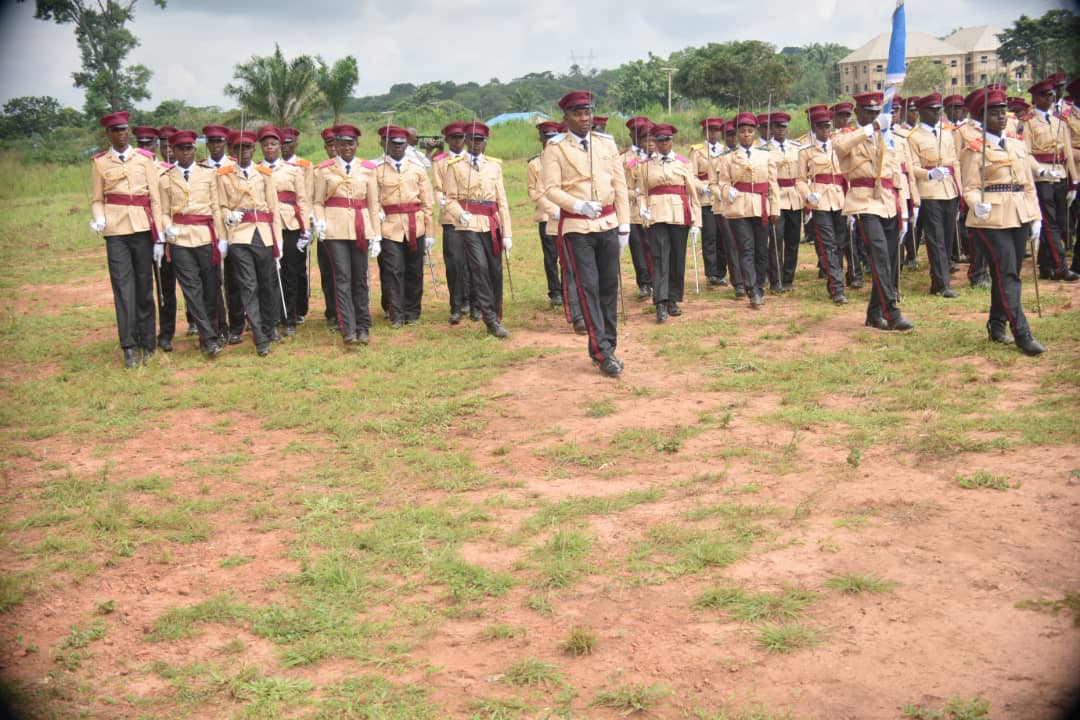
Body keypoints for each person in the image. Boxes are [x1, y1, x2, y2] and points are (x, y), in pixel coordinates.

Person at [542, 90, 631, 376]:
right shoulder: (556, 148)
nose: (584, 118)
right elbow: (550, 189)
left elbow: (620, 186)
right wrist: (578, 204)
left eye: (587, 113)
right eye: (577, 114)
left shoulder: (606, 143)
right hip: (577, 227)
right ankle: (602, 352)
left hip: (607, 223)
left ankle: (609, 346)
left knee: (609, 286)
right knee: (589, 287)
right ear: (566, 117)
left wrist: (624, 224)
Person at [959, 87, 1045, 355]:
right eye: (994, 113)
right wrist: (976, 204)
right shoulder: (975, 149)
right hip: (991, 218)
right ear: (981, 117)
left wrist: (1036, 217)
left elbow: (1028, 185)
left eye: (1002, 112)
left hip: (1019, 213)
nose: (1001, 117)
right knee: (1007, 272)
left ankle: (996, 326)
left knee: (1007, 272)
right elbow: (969, 187)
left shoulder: (1017, 145)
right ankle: (1022, 332)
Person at [89, 110, 166, 368]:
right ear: (108, 134)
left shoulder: (144, 159)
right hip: (116, 231)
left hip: (143, 229)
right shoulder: (100, 163)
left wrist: (160, 236)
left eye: (124, 130)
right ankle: (129, 346)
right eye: (115, 131)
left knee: (145, 288)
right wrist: (99, 217)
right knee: (123, 289)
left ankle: (148, 342)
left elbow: (155, 199)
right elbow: (97, 198)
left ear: (128, 131)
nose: (120, 134)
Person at [834, 92, 914, 332]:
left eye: (876, 112)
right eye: (867, 112)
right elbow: (840, 148)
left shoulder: (887, 137)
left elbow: (896, 173)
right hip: (863, 202)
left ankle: (874, 313)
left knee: (890, 258)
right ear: (858, 113)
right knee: (879, 255)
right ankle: (892, 312)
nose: (872, 116)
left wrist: (906, 209)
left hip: (888, 201)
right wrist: (871, 128)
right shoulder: (848, 135)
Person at [313, 124, 382, 346]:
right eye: (342, 144)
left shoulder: (368, 169)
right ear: (336, 146)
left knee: (360, 279)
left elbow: (373, 205)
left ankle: (364, 326)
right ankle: (348, 329)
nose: (346, 148)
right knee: (342, 278)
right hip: (334, 229)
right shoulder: (325, 170)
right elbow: (317, 201)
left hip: (361, 227)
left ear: (357, 145)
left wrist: (377, 235)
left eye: (351, 144)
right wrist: (320, 221)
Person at [158, 130, 225, 358]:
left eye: (190, 148)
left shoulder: (208, 174)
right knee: (191, 290)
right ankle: (208, 338)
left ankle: (212, 332)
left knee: (210, 288)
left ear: (195, 150)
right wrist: (167, 227)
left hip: (206, 236)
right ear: (173, 151)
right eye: (181, 148)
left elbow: (216, 207)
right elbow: (163, 210)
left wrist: (221, 236)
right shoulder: (165, 178)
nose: (186, 152)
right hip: (181, 239)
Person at [442, 122, 513, 338]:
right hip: (468, 223)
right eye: (471, 139)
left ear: (485, 143)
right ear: (466, 140)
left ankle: (496, 313)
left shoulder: (494, 166)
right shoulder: (455, 166)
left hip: (491, 223)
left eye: (479, 140)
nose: (475, 143)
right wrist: (458, 213)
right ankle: (489, 319)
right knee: (479, 268)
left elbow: (502, 201)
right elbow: (450, 198)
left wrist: (508, 233)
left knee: (495, 270)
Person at [216, 129, 281, 356]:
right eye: (239, 148)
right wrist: (227, 218)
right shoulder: (224, 175)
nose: (244, 152)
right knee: (248, 285)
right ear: (232, 151)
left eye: (248, 147)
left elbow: (274, 209)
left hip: (262, 233)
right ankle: (259, 336)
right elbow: (220, 206)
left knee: (266, 283)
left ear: (254, 150)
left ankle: (270, 325)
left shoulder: (264, 174)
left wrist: (278, 242)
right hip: (239, 235)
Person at [715, 112, 780, 309]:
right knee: (746, 248)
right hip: (740, 207)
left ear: (755, 133)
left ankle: (760, 284)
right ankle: (752, 289)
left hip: (761, 205)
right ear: (737, 133)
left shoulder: (766, 155)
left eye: (750, 131)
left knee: (761, 249)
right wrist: (728, 192)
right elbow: (723, 183)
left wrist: (775, 208)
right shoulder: (728, 158)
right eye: (742, 131)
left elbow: (773, 184)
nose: (746, 135)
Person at [639, 123, 702, 322]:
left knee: (677, 257)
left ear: (671, 141)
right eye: (659, 140)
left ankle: (673, 298)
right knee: (659, 257)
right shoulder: (646, 166)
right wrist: (643, 209)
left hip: (678, 214)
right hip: (657, 215)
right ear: (655, 143)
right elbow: (642, 192)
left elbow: (692, 194)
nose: (663, 143)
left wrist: (696, 222)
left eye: (667, 140)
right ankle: (660, 301)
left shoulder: (683, 163)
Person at [373, 125, 435, 327]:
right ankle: (396, 313)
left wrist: (430, 232)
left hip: (415, 224)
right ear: (386, 144)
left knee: (414, 270)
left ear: (406, 144)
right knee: (393, 270)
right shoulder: (376, 170)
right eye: (394, 144)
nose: (398, 148)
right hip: (389, 226)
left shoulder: (416, 168)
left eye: (401, 144)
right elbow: (372, 200)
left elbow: (427, 204)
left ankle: (412, 311)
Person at [528, 121, 586, 333]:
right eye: (546, 135)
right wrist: (552, 209)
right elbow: (535, 191)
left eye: (554, 134)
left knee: (572, 264)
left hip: (572, 216)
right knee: (553, 258)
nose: (550, 138)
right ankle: (557, 293)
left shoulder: (568, 156)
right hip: (549, 216)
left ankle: (576, 301)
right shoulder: (535, 163)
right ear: (541, 138)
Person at [906, 93, 962, 298]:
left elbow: (955, 162)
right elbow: (912, 167)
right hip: (929, 192)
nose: (937, 113)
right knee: (935, 238)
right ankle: (942, 283)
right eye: (932, 110)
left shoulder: (947, 133)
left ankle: (938, 279)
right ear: (921, 112)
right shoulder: (913, 137)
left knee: (947, 238)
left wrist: (960, 190)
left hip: (949, 190)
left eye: (939, 109)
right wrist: (928, 173)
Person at [259, 125, 312, 336]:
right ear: (261, 148)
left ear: (280, 146)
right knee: (270, 272)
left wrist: (305, 228)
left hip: (290, 223)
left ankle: (290, 316)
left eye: (273, 144)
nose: (270, 148)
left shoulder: (294, 170)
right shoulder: (256, 170)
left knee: (290, 271)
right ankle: (272, 316)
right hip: (265, 224)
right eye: (265, 145)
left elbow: (302, 199)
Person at [1025, 78, 1078, 281]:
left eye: (1051, 95)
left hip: (1061, 174)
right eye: (1045, 95)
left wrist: (1073, 181)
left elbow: (1067, 153)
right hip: (1043, 177)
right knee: (1049, 223)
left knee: (1061, 223)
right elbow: (1027, 152)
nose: (1050, 98)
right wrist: (1040, 171)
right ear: (1036, 98)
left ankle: (1046, 265)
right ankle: (1060, 267)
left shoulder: (1059, 122)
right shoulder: (1029, 122)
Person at [798, 108, 849, 304]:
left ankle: (835, 281)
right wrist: (808, 195)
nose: (825, 130)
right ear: (814, 127)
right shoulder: (806, 151)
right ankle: (837, 288)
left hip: (840, 199)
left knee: (840, 243)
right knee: (827, 244)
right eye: (821, 127)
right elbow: (800, 180)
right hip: (820, 201)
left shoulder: (838, 147)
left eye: (828, 126)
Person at [431, 121, 474, 324]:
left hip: (473, 215)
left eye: (460, 137)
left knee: (474, 262)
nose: (458, 141)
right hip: (451, 217)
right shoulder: (440, 162)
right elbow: (438, 188)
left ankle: (474, 303)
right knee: (455, 263)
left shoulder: (472, 159)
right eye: (453, 138)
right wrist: (442, 200)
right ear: (447, 140)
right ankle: (456, 305)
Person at [280, 127, 313, 324]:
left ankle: (300, 307)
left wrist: (306, 225)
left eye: (289, 142)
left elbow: (306, 196)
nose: (285, 146)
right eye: (282, 142)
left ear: (295, 143)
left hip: (297, 220)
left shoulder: (304, 165)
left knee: (297, 267)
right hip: (278, 223)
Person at [689, 117, 728, 287]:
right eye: (710, 130)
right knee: (710, 237)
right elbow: (692, 176)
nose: (713, 134)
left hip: (722, 197)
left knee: (723, 237)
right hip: (706, 199)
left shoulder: (725, 150)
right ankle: (711, 273)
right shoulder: (697, 151)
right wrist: (701, 187)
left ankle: (722, 272)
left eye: (716, 130)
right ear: (704, 132)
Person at [770, 111, 803, 291]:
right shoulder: (766, 150)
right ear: (772, 128)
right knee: (776, 238)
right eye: (777, 127)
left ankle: (788, 277)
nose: (781, 130)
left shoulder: (796, 148)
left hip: (794, 197)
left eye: (784, 127)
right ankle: (775, 280)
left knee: (793, 239)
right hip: (777, 197)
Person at [622, 116, 654, 299]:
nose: (648, 142)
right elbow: (622, 188)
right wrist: (636, 193)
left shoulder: (657, 158)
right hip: (635, 212)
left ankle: (657, 280)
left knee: (655, 247)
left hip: (656, 210)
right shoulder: (630, 161)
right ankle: (644, 283)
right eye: (644, 138)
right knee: (639, 248)